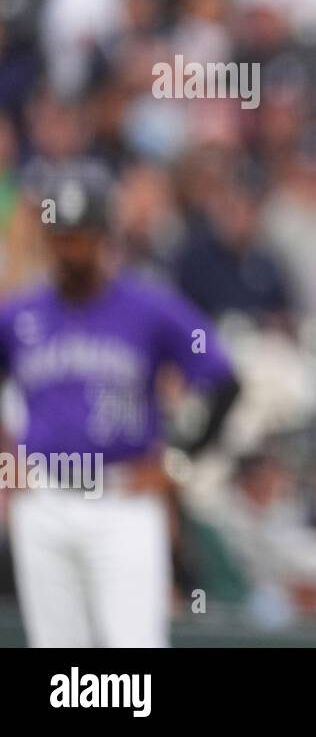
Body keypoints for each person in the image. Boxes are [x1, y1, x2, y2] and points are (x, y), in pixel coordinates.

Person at [0, 165, 240, 647]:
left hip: (122, 498)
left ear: (106, 235)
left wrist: (175, 460)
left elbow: (222, 381)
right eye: (60, 236)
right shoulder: (20, 313)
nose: (69, 249)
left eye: (80, 237)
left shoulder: (148, 306)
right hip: (44, 497)